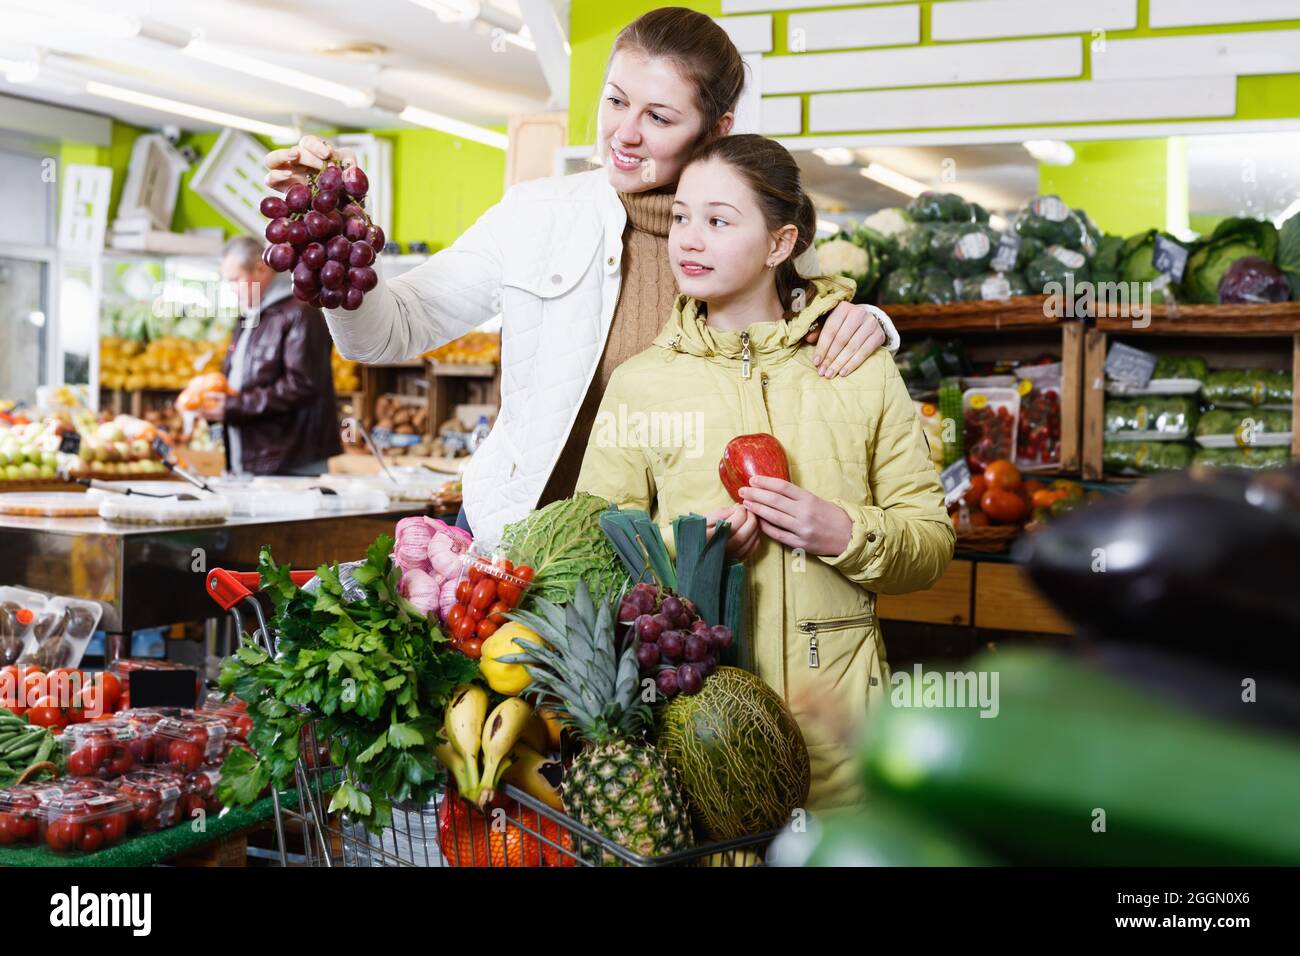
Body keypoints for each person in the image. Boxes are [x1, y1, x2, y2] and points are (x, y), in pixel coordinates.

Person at [261, 7, 903, 544]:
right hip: (518, 547)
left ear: (717, 129)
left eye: (659, 116)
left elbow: (812, 343)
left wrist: (870, 323)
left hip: (668, 562)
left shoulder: (755, 234)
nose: (624, 133)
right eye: (617, 100)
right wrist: (338, 239)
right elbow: (383, 336)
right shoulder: (535, 214)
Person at [575, 135, 955, 809]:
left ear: (780, 244)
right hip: (700, 750)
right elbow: (589, 564)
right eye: (683, 216)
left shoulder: (857, 367)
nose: (690, 239)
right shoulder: (639, 385)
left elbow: (928, 546)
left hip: (845, 748)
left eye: (719, 221)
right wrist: (690, 553)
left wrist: (842, 532)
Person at [207, 236, 342, 476]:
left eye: (235, 280)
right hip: (253, 459)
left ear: (261, 269)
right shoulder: (252, 316)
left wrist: (232, 407)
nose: (232, 289)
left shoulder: (301, 313)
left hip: (289, 462)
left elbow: (302, 385)